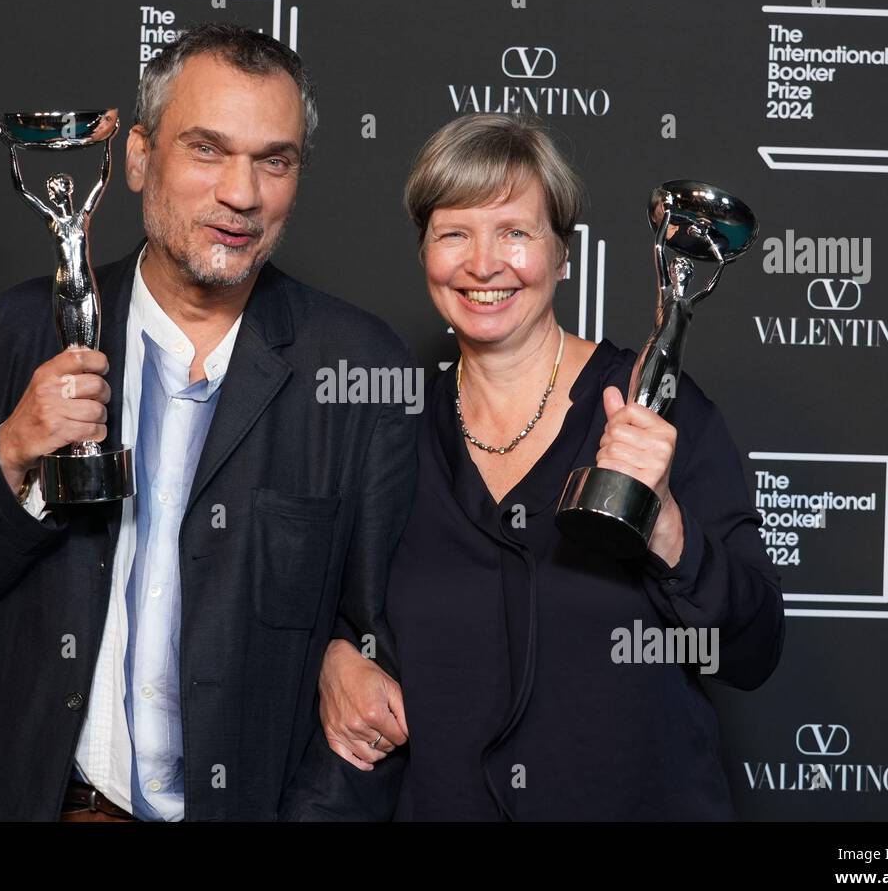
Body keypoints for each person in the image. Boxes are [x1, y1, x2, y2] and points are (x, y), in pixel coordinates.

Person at [0, 23, 414, 821]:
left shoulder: (358, 368)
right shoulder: (20, 334)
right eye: (206, 150)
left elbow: (385, 657)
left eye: (274, 160)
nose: (242, 194)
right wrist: (11, 453)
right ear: (135, 158)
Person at [319, 113, 785, 820]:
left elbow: (754, 650)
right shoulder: (390, 427)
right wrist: (333, 657)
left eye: (515, 232)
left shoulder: (658, 410)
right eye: (454, 233)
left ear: (563, 256)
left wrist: (665, 529)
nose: (483, 262)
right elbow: (325, 601)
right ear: (424, 254)